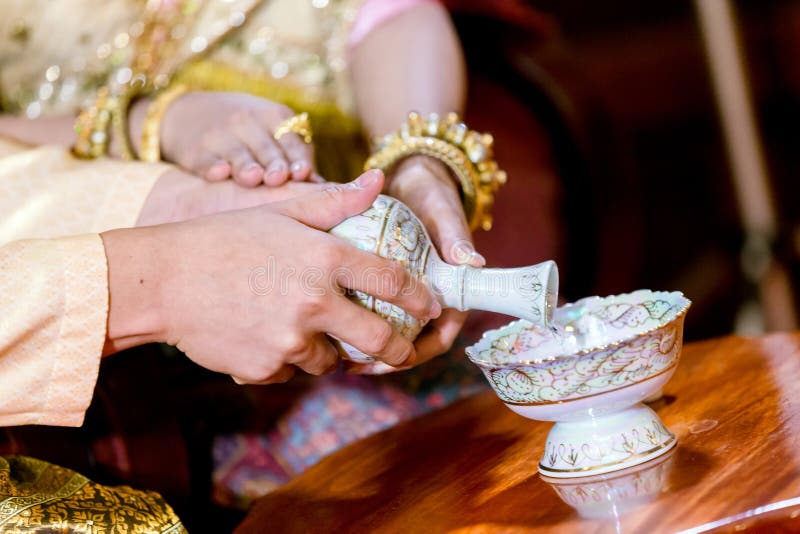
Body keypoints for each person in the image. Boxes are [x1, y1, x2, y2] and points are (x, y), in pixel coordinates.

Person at [0, 0, 556, 508]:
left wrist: (421, 162)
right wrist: (148, 125)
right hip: (105, 310)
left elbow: (380, 11)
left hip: (333, 276)